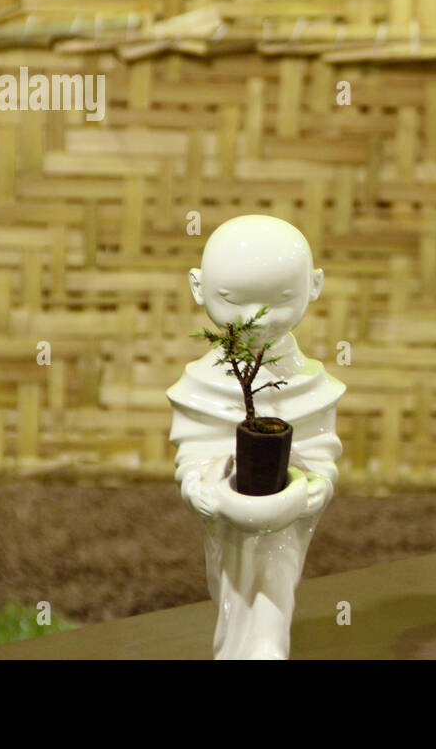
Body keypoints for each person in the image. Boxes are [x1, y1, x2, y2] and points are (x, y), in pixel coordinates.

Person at [167, 215, 344, 657]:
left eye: (282, 299)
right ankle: (242, 644)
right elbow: (194, 451)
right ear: (198, 287)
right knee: (230, 576)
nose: (256, 318)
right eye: (231, 299)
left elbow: (321, 450)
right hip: (228, 515)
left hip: (285, 513)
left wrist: (318, 483)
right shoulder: (203, 384)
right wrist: (198, 484)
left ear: (315, 286)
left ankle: (266, 644)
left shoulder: (311, 383)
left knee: (277, 565)